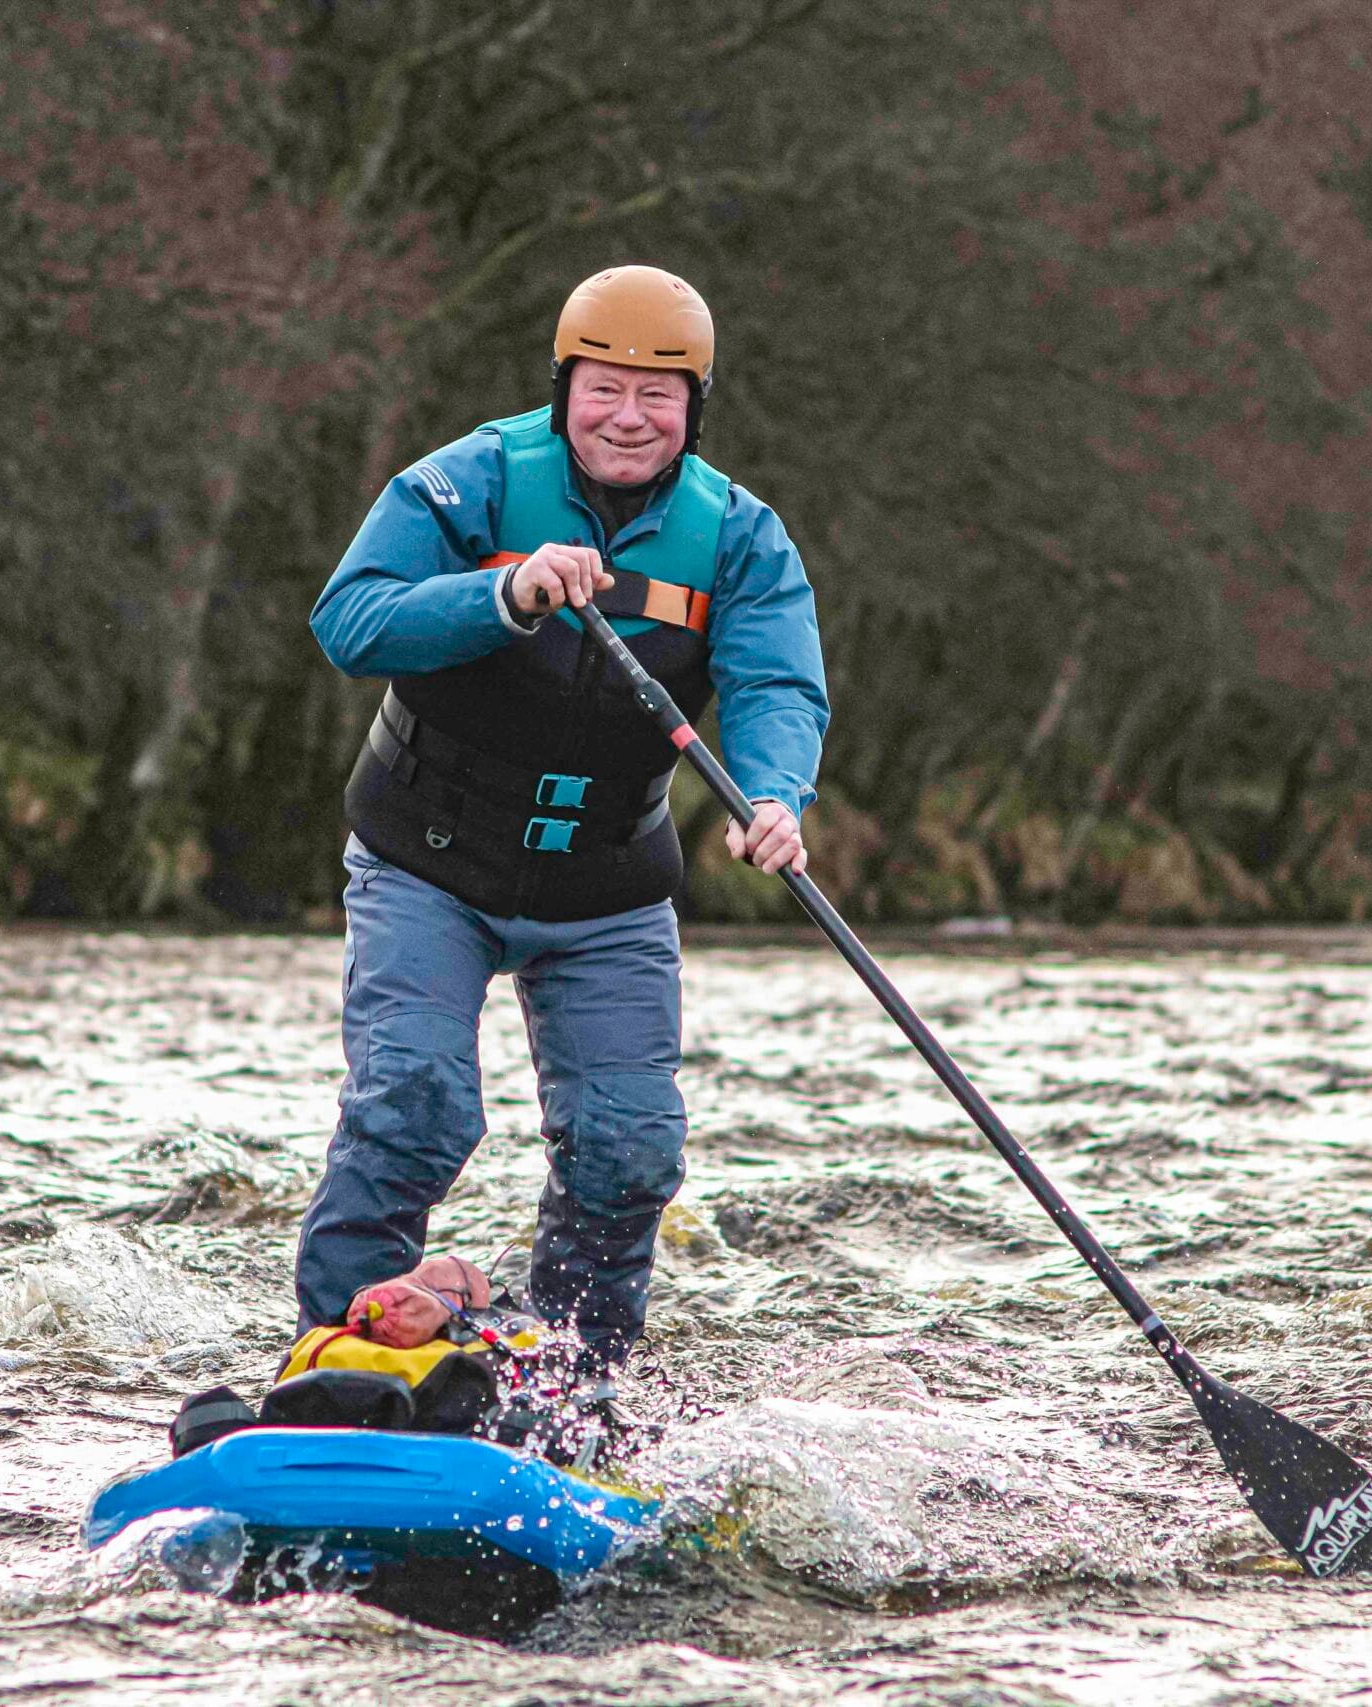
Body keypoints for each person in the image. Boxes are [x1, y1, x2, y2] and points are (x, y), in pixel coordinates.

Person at [295, 264, 828, 1382]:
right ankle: (337, 1355)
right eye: (604, 390)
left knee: (629, 1150)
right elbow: (349, 622)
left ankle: (575, 1377)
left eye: (658, 396)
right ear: (563, 388)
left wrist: (776, 794)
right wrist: (505, 595)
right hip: (427, 862)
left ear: (695, 408)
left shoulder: (738, 534)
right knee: (415, 1105)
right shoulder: (470, 481)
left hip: (607, 886)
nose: (628, 417)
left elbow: (777, 684)